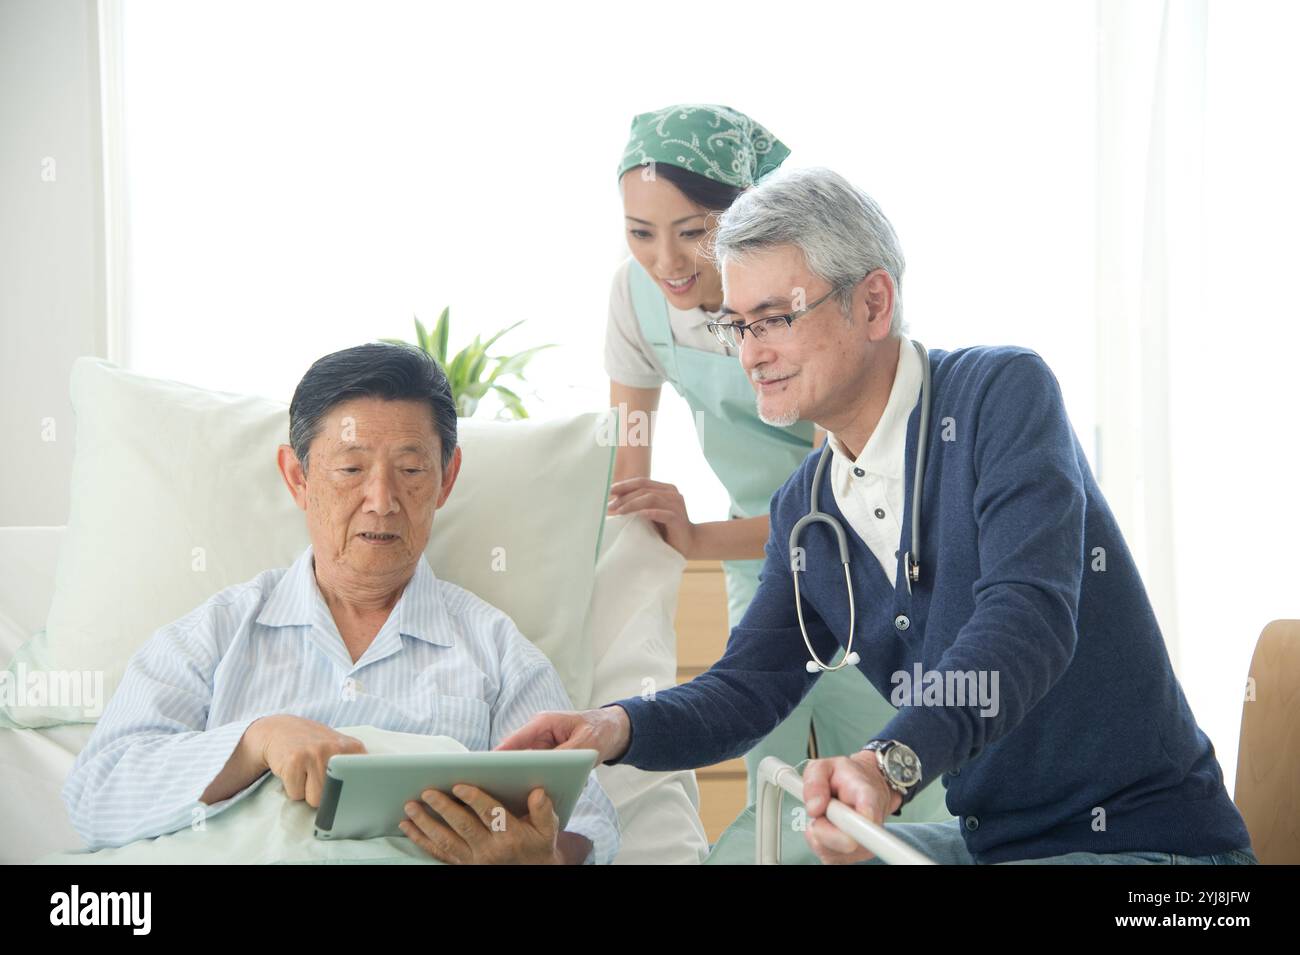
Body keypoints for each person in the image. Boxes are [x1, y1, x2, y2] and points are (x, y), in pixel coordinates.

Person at [500, 167, 1257, 865]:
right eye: (738, 326)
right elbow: (748, 685)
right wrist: (613, 726)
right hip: (996, 843)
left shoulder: (1000, 397)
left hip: (1158, 852)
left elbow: (1027, 617)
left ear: (873, 302)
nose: (750, 355)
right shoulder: (808, 509)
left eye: (775, 319)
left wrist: (885, 763)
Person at [62, 343, 619, 864]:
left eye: (410, 470)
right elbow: (96, 795)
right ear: (297, 477)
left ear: (447, 479)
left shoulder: (499, 654)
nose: (381, 501)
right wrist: (255, 741)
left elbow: (586, 821)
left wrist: (540, 856)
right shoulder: (213, 635)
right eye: (351, 469)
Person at [606, 104, 949, 823]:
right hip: (758, 559)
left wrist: (698, 537)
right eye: (641, 233)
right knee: (773, 782)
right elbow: (625, 466)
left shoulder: (811, 301)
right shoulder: (636, 300)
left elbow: (840, 508)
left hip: (866, 548)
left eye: (693, 232)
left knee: (908, 781)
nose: (665, 262)